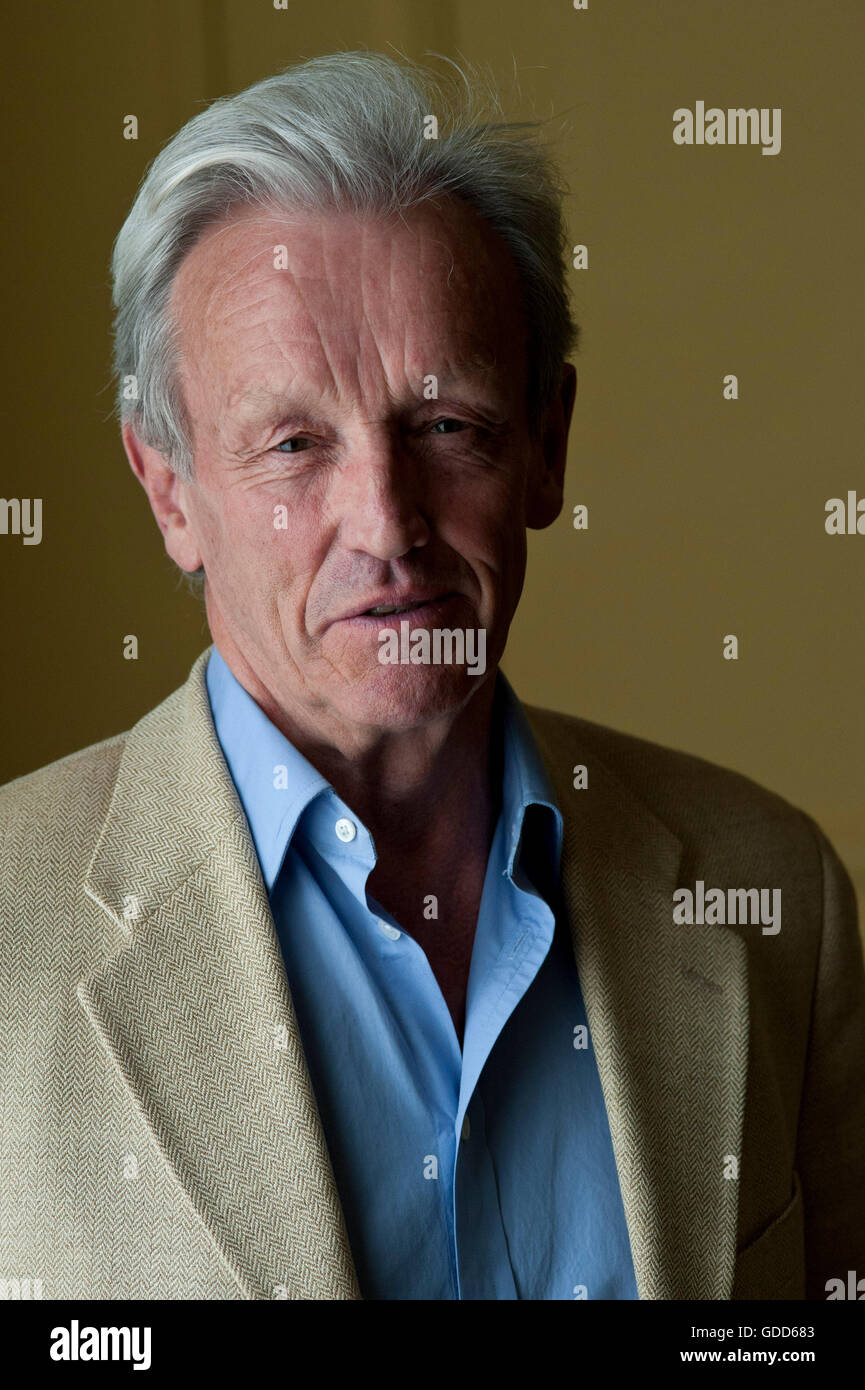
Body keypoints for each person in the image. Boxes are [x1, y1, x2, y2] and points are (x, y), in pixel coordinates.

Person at [1, 52, 862, 1301]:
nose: (388, 524)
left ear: (548, 444)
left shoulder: (769, 888)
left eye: (446, 426)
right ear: (170, 490)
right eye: (294, 443)